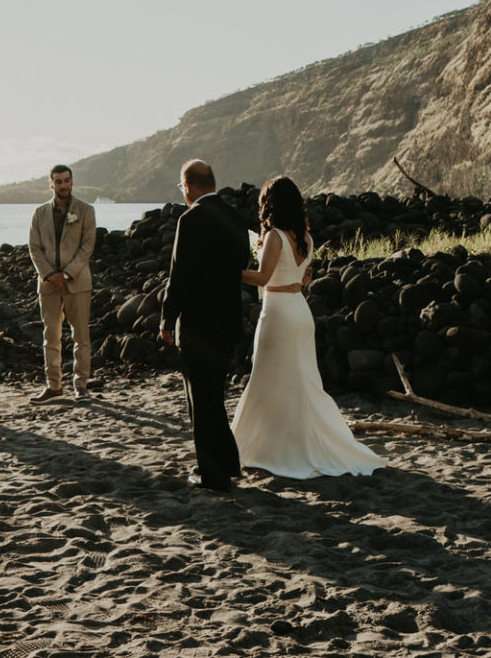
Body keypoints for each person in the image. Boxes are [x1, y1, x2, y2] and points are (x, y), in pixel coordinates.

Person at [231, 176, 385, 478]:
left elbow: (263, 279)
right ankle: (295, 443)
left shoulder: (275, 236)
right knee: (300, 382)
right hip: (299, 309)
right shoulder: (305, 237)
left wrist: (229, 270)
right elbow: (302, 276)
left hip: (277, 313)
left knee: (267, 380)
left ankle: (260, 447)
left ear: (270, 204)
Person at [159, 159, 249, 492]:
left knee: (201, 401)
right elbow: (242, 262)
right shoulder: (236, 218)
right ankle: (228, 461)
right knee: (215, 396)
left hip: (197, 324)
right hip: (227, 321)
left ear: (190, 184)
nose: (183, 193)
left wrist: (167, 318)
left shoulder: (191, 219)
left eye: (182, 187)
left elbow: (179, 274)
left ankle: (212, 475)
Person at [27, 164, 99, 402]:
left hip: (77, 282)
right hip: (48, 284)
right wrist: (49, 275)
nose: (63, 185)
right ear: (51, 183)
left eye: (67, 180)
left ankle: (81, 385)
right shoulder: (39, 213)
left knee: (81, 336)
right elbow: (34, 248)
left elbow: (87, 247)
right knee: (51, 336)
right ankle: (54, 386)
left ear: (72, 181)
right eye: (58, 181)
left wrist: (66, 274)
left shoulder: (86, 210)